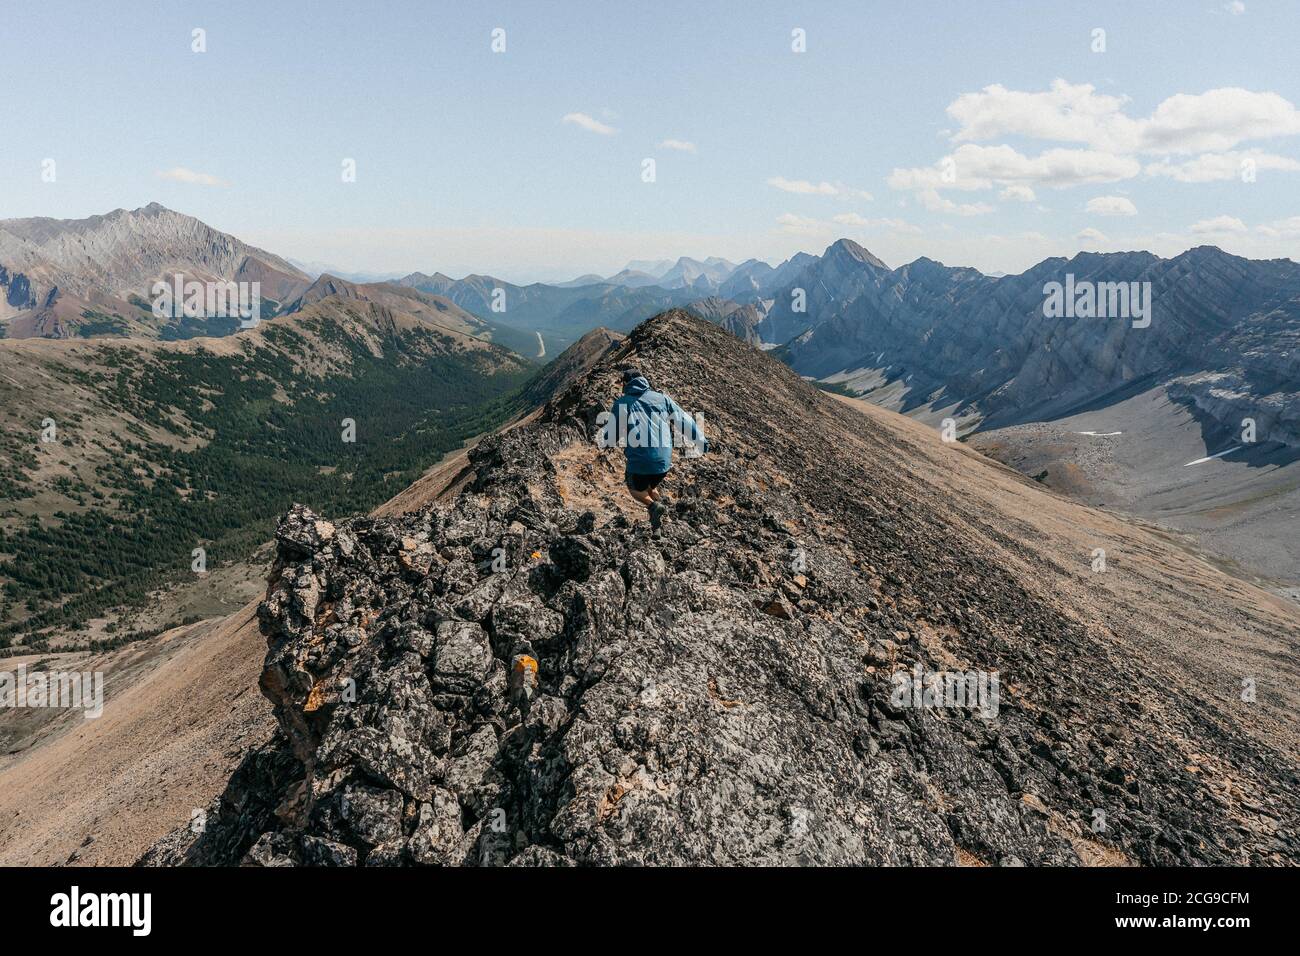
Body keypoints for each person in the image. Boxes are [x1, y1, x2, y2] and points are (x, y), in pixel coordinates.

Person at [605, 367, 706, 527]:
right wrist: (700, 440)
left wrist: (606, 442)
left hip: (641, 463)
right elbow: (683, 419)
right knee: (650, 486)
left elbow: (611, 434)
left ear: (625, 384)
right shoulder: (662, 398)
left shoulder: (622, 403)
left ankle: (654, 506)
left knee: (636, 489)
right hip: (664, 463)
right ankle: (658, 521)